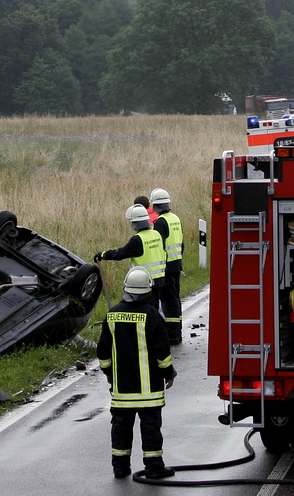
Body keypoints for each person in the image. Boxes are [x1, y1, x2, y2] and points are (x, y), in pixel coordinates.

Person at [97, 266, 177, 480]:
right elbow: (163, 351)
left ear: (126, 288)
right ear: (148, 290)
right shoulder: (152, 315)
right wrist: (168, 373)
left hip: (121, 391)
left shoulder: (112, 314)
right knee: (150, 429)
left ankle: (120, 467)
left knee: (121, 428)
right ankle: (153, 468)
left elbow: (103, 351)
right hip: (148, 390)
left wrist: (108, 373)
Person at [95, 205, 167, 309]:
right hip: (159, 279)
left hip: (143, 282)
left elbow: (120, 253)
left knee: (140, 309)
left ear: (135, 223)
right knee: (153, 309)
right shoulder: (156, 234)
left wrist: (103, 255)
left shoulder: (138, 240)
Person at [150, 188, 184, 345]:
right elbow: (180, 243)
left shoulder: (160, 222)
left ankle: (171, 336)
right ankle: (178, 332)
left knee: (168, 301)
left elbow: (159, 245)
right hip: (177, 263)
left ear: (155, 205)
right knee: (175, 299)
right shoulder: (175, 218)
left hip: (167, 267)